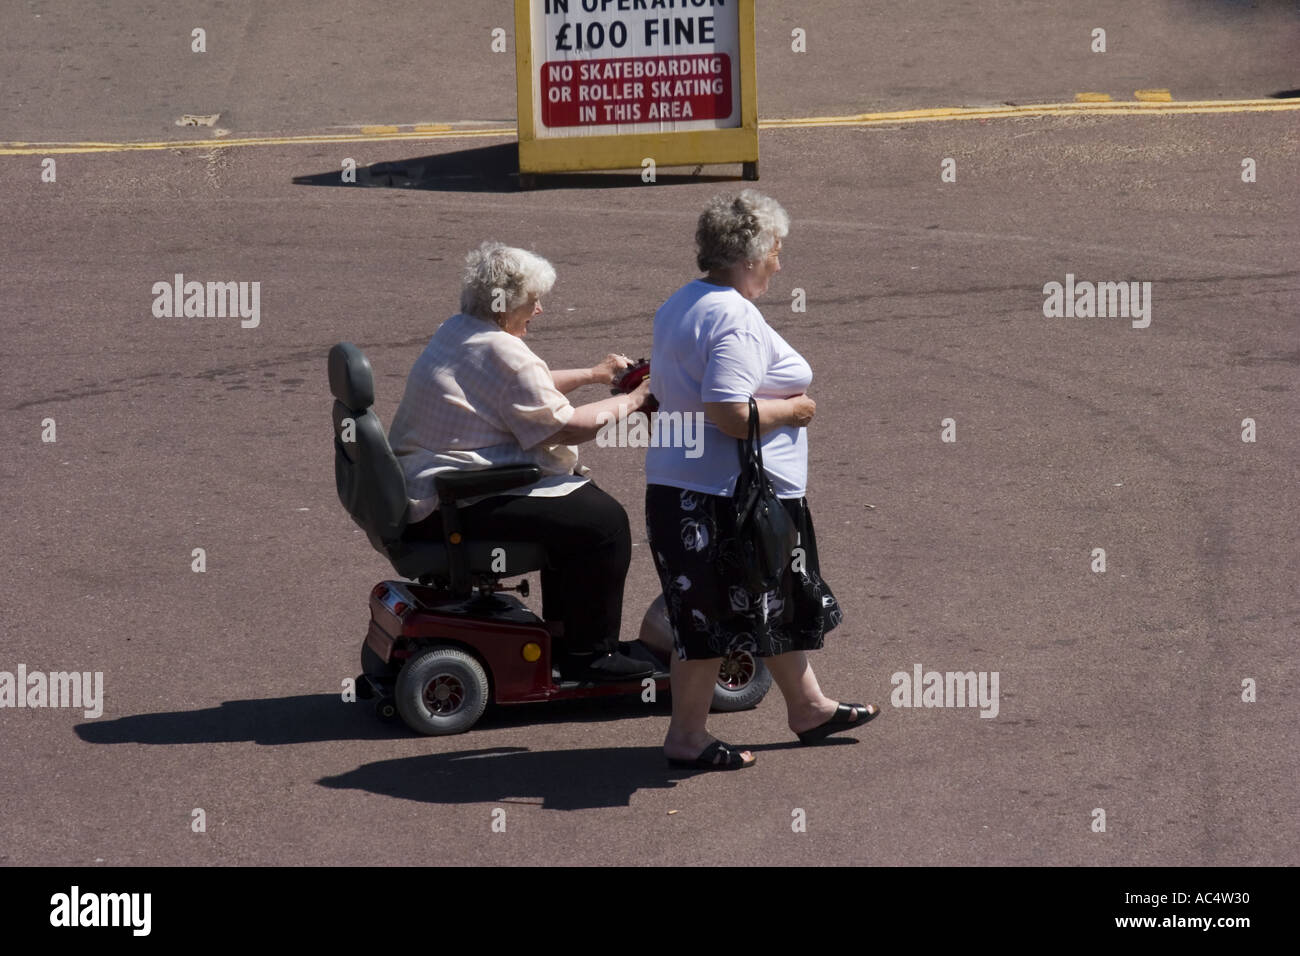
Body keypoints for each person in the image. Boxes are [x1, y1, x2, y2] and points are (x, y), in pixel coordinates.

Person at [644, 190, 878, 770]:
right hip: (726, 498)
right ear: (750, 254)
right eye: (775, 249)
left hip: (687, 487)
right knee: (709, 621)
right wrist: (793, 412)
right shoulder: (735, 317)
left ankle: (808, 706)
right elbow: (727, 410)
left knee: (767, 601)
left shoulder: (683, 302)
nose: (779, 261)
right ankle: (687, 738)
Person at [390, 241, 655, 682]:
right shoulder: (505, 353)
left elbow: (521, 390)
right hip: (454, 504)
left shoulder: (458, 330)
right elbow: (569, 427)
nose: (539, 310)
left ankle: (566, 634)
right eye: (534, 301)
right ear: (505, 305)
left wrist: (594, 374)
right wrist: (637, 397)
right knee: (602, 521)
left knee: (576, 508)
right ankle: (592, 655)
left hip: (429, 489)